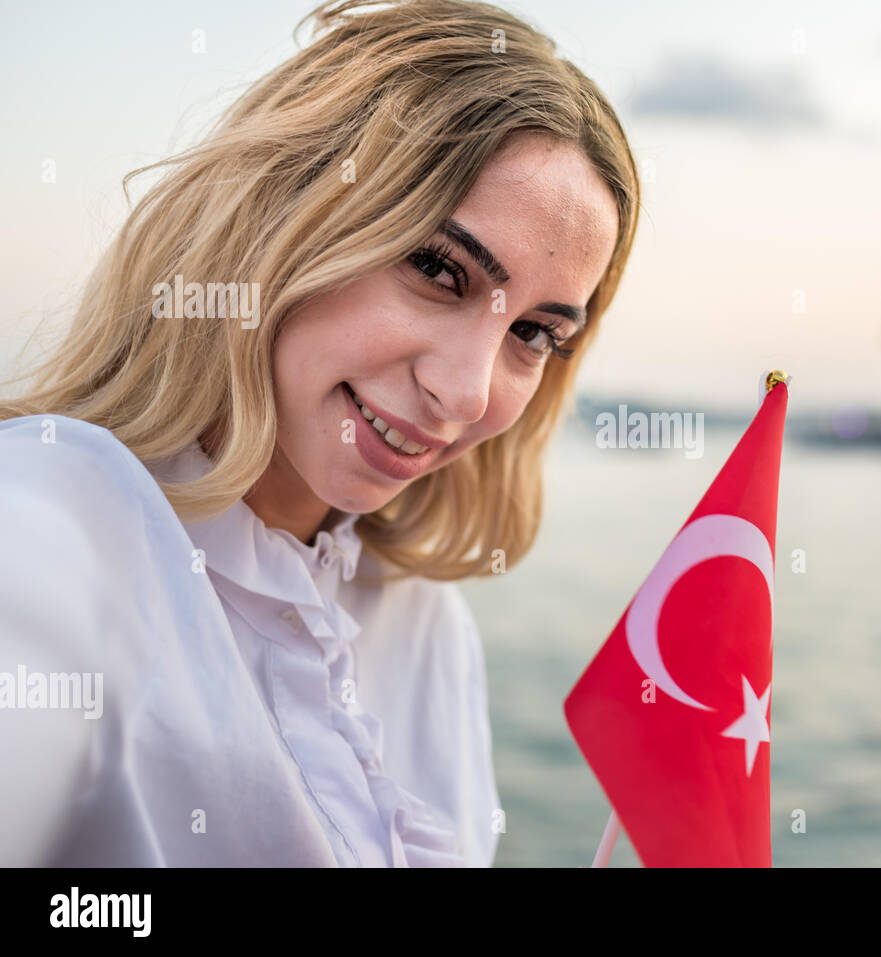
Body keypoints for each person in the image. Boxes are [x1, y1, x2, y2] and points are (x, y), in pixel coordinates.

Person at [0, 0, 640, 866]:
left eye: (533, 333)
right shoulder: (48, 521)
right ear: (278, 216)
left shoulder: (427, 628)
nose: (463, 392)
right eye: (436, 268)